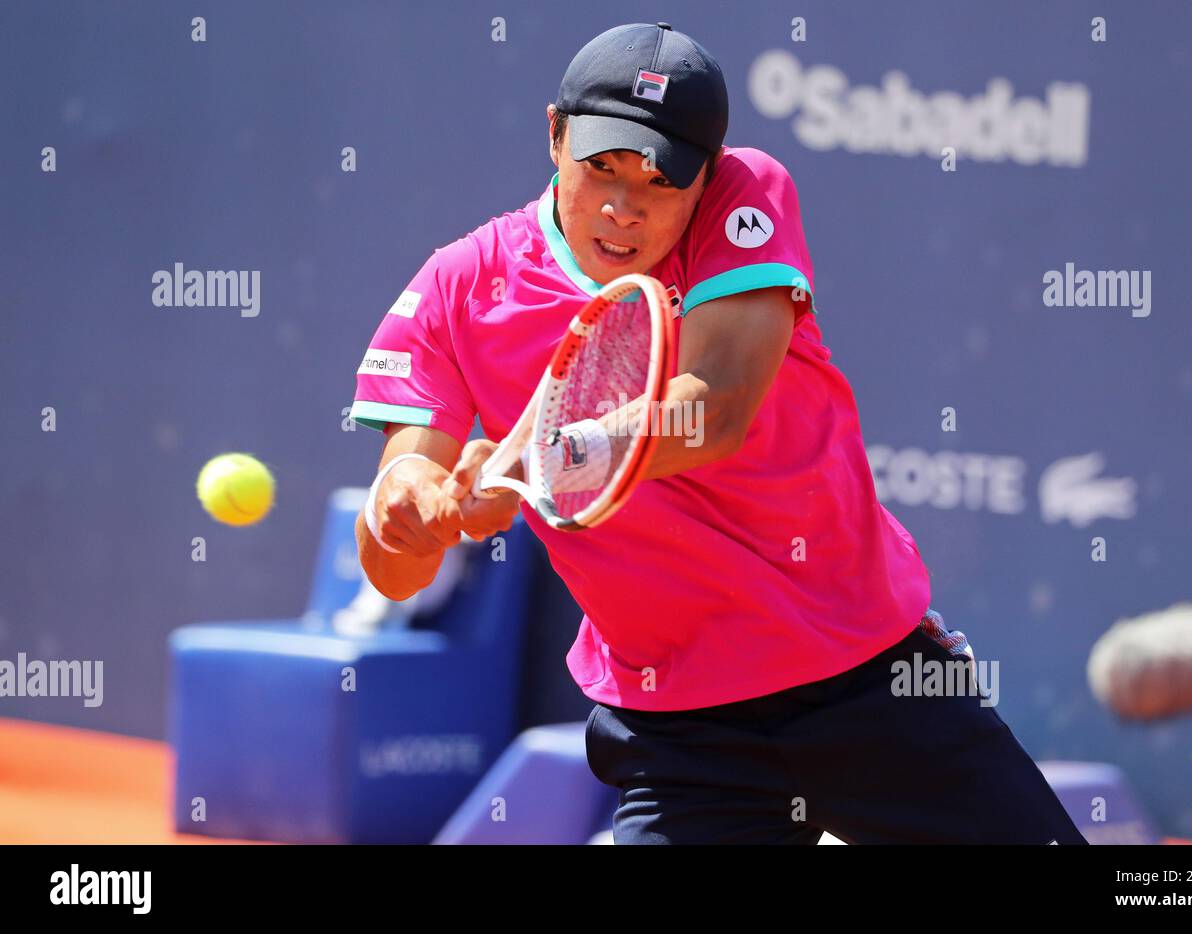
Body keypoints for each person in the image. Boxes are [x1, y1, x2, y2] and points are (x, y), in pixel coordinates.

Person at [351, 22, 1086, 844]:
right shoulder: (460, 286)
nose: (624, 208)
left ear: (705, 178)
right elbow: (393, 555)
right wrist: (407, 511)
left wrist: (546, 457)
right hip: (681, 730)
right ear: (555, 136)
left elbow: (716, 407)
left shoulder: (747, 194)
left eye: (661, 181)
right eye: (601, 168)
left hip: (866, 678)